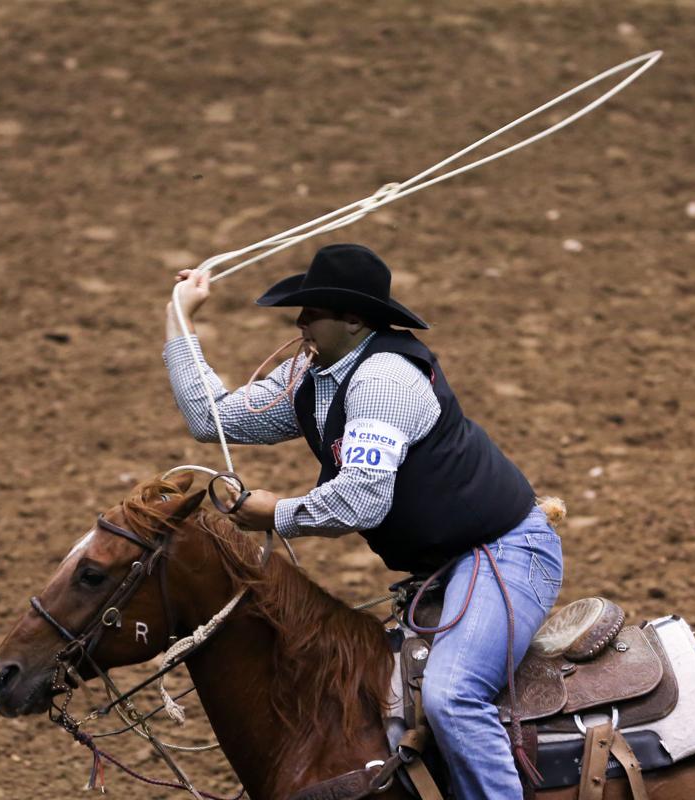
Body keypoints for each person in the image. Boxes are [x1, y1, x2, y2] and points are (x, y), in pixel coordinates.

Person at [162, 243, 563, 799]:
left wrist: (275, 513)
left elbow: (363, 499)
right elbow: (214, 419)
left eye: (311, 312)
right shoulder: (312, 376)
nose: (299, 324)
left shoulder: (383, 380)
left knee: (453, 697)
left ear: (352, 320)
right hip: (448, 568)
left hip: (506, 554)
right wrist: (178, 317)